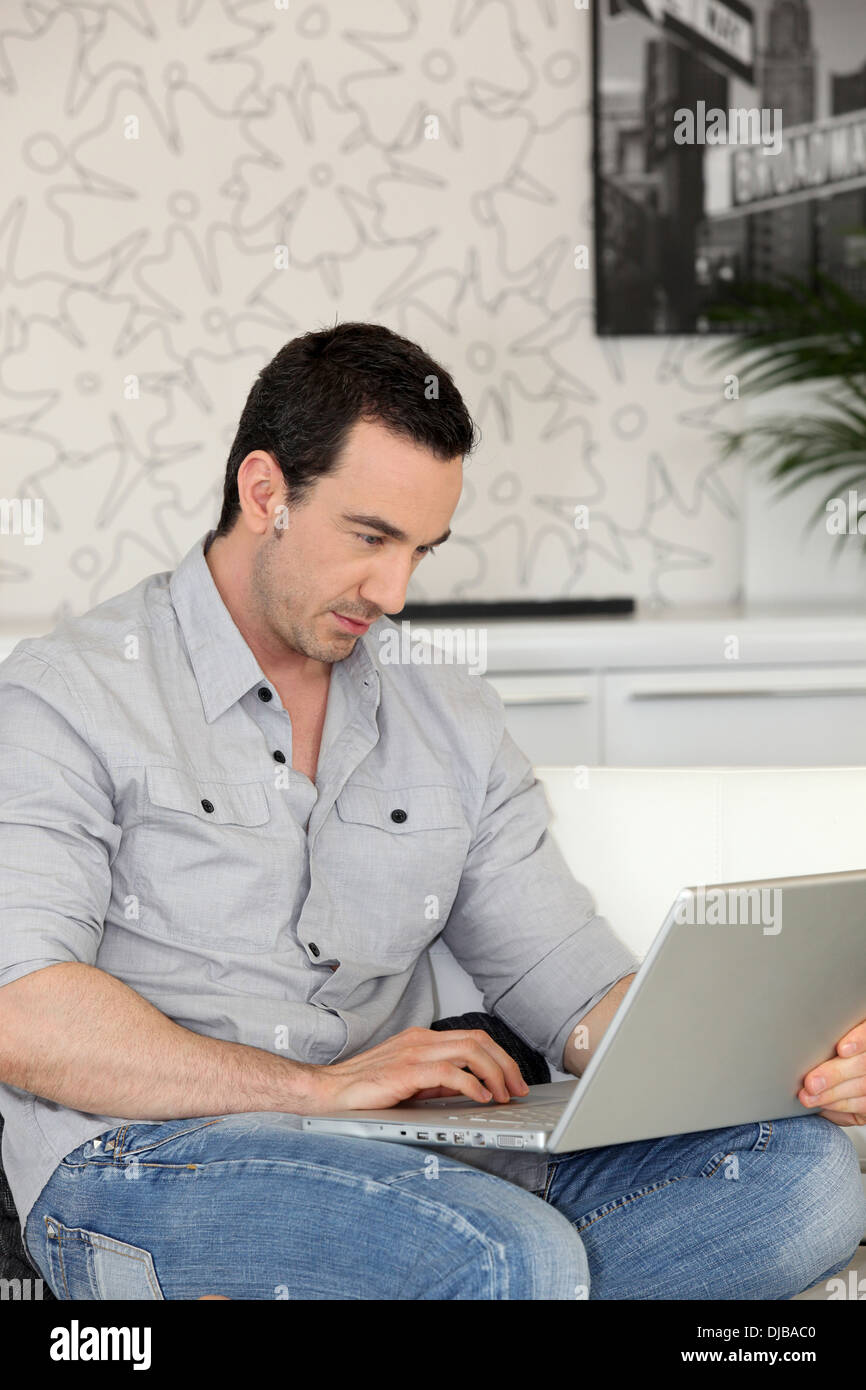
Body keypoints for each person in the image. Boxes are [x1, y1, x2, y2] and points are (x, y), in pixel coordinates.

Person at [1, 322, 864, 1301]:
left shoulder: (447, 716)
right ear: (264, 492)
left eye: (420, 549)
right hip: (143, 1165)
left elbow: (570, 989)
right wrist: (312, 1089)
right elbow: (22, 1013)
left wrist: (776, 1057)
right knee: (502, 1256)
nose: (396, 592)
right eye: (370, 538)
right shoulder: (68, 694)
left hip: (409, 1166)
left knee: (799, 1178)